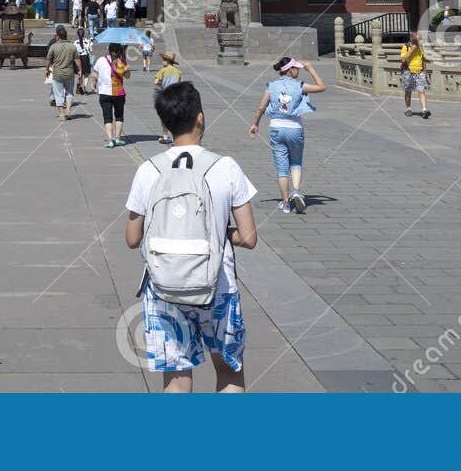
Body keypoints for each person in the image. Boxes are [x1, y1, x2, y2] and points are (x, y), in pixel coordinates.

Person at [125, 82, 258, 393]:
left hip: (164, 286)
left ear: (164, 123)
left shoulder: (148, 169)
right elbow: (249, 237)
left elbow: (132, 238)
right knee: (227, 369)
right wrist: (218, 233)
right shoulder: (225, 167)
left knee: (176, 375)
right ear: (201, 117)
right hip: (218, 286)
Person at [248, 56, 326, 214]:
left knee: (281, 168)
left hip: (276, 128)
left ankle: (285, 203)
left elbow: (261, 107)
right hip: (295, 128)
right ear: (290, 70)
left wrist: (255, 124)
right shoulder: (299, 86)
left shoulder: (271, 86)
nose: (298, 70)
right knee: (296, 162)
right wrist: (310, 68)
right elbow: (321, 86)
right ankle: (296, 191)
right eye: (297, 68)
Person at [95, 42, 130, 148]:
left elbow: (95, 73)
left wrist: (93, 84)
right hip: (119, 92)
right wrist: (126, 67)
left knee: (107, 117)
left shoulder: (101, 60)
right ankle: (118, 138)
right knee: (119, 116)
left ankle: (110, 140)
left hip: (104, 93)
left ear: (109, 50)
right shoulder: (121, 62)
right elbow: (127, 76)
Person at [44, 24, 80, 122]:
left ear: (57, 36)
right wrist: (80, 71)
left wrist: (47, 70)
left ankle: (62, 114)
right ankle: (68, 110)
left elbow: (48, 60)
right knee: (69, 92)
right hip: (69, 73)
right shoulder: (72, 46)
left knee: (58, 94)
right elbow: (77, 60)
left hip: (57, 74)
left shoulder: (53, 47)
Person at [153, 51, 183, 145]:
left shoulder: (163, 70)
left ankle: (165, 136)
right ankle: (175, 138)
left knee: (164, 117)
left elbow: (156, 82)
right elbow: (181, 84)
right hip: (175, 97)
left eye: (163, 60)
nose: (162, 62)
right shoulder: (178, 72)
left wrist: (162, 84)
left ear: (167, 61)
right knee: (175, 118)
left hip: (165, 97)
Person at [400, 31, 430, 119]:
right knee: (408, 91)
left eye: (419, 38)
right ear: (411, 38)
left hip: (419, 72)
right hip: (408, 71)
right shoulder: (405, 46)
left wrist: (424, 71)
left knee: (421, 90)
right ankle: (408, 108)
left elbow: (423, 59)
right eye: (417, 38)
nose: (418, 40)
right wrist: (412, 49)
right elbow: (403, 60)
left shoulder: (421, 47)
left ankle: (424, 110)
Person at [74, 28, 95, 93]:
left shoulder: (75, 42)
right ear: (84, 34)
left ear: (77, 34)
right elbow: (91, 51)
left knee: (80, 73)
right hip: (86, 58)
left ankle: (79, 86)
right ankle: (84, 87)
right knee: (86, 74)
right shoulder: (87, 41)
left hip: (78, 58)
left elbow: (74, 52)